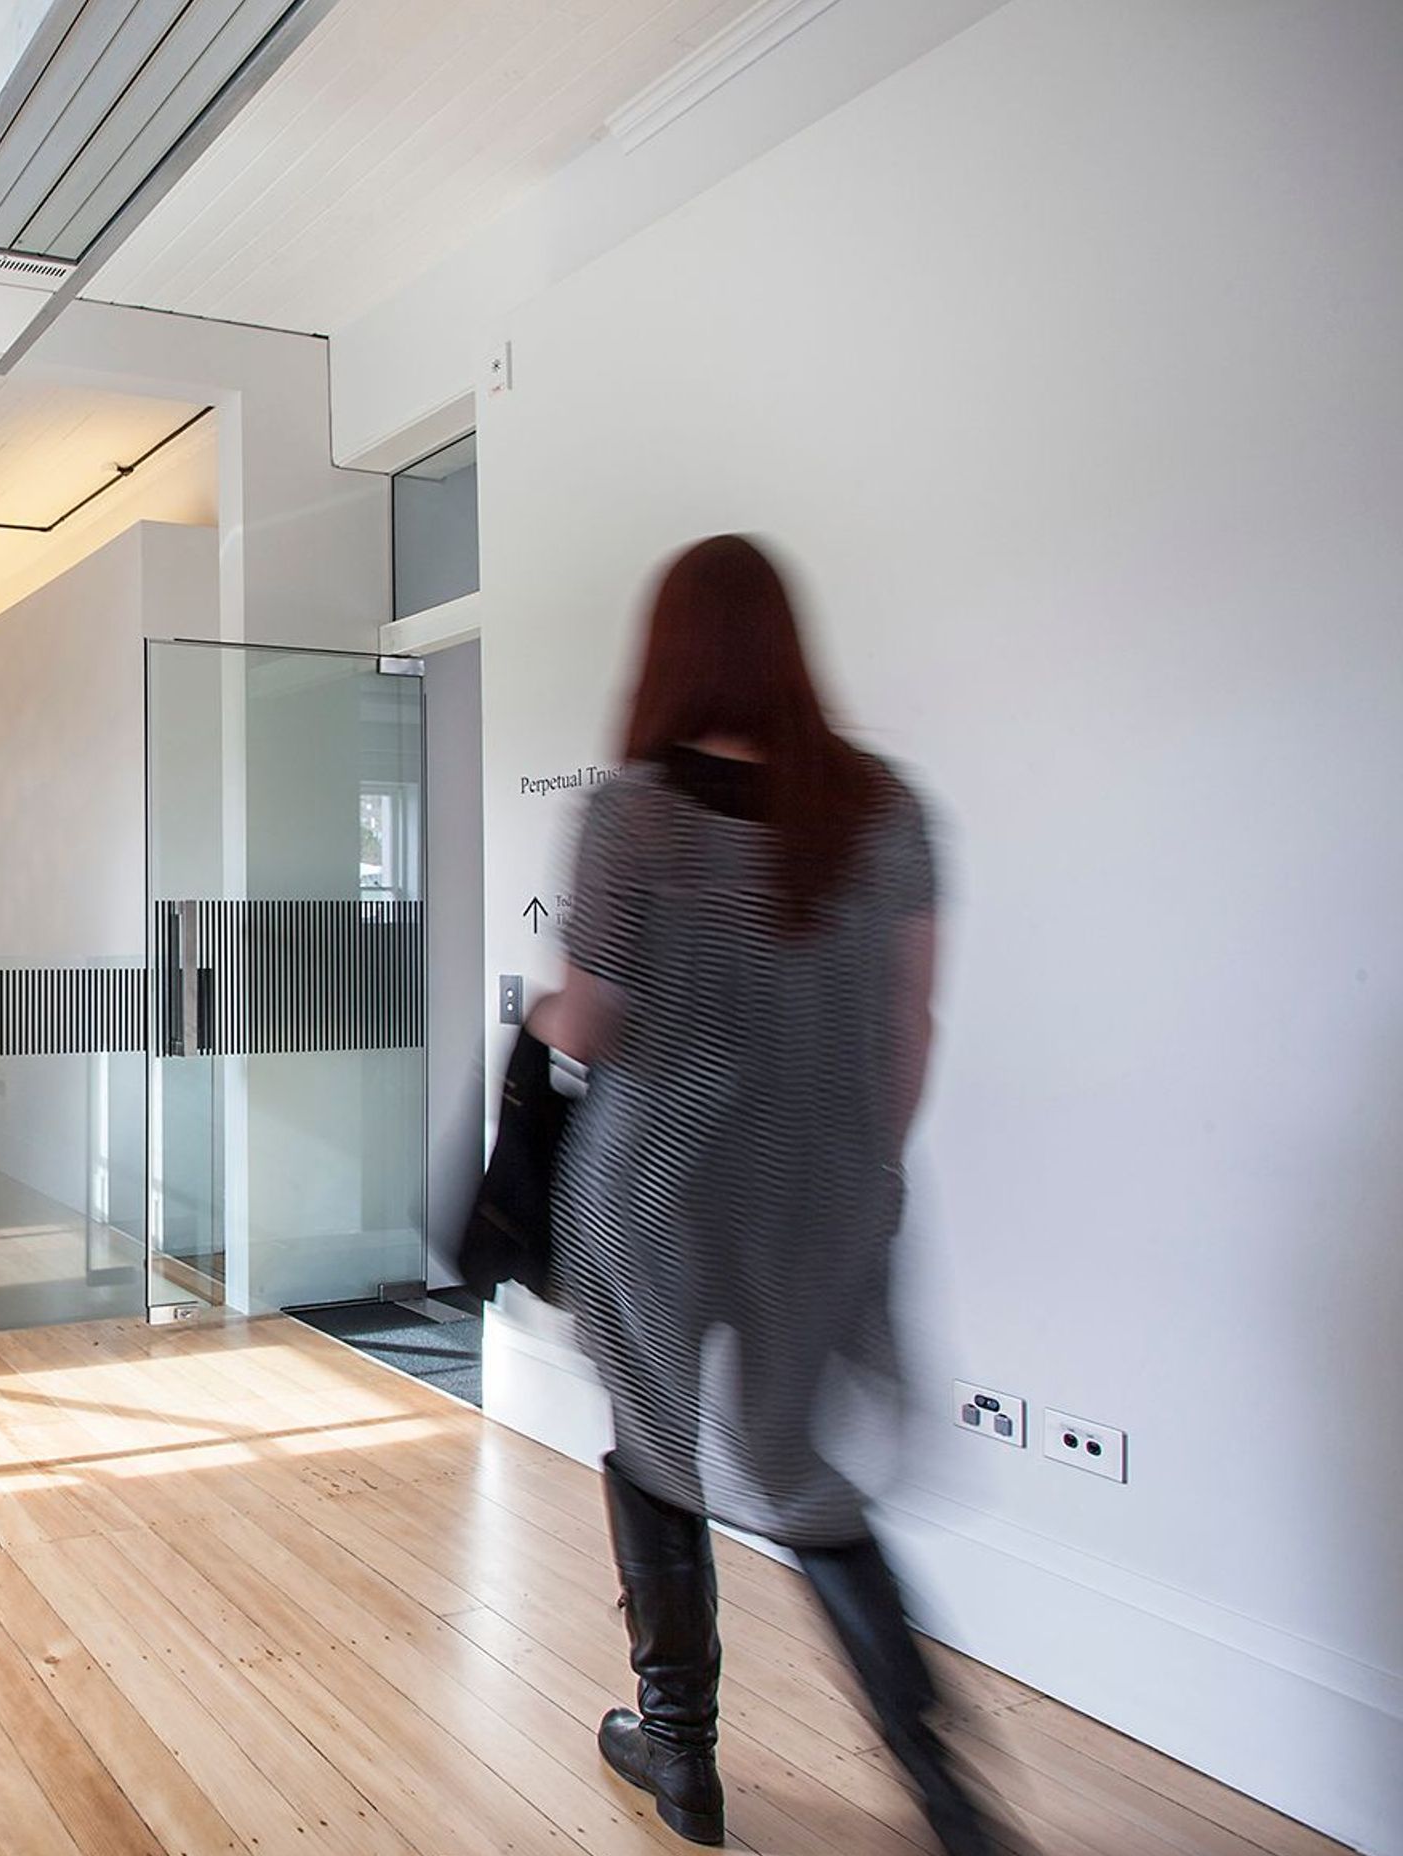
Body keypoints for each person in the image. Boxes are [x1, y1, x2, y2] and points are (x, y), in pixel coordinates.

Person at [533, 535, 996, 1854]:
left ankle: (681, 1759)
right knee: (808, 1476)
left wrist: (550, 1012)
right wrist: (869, 1173)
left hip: (658, 1190)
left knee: (660, 1451)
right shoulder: (885, 810)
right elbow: (912, 1025)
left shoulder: (632, 811)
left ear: (671, 653)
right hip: (821, 1195)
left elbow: (600, 1021)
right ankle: (946, 1786)